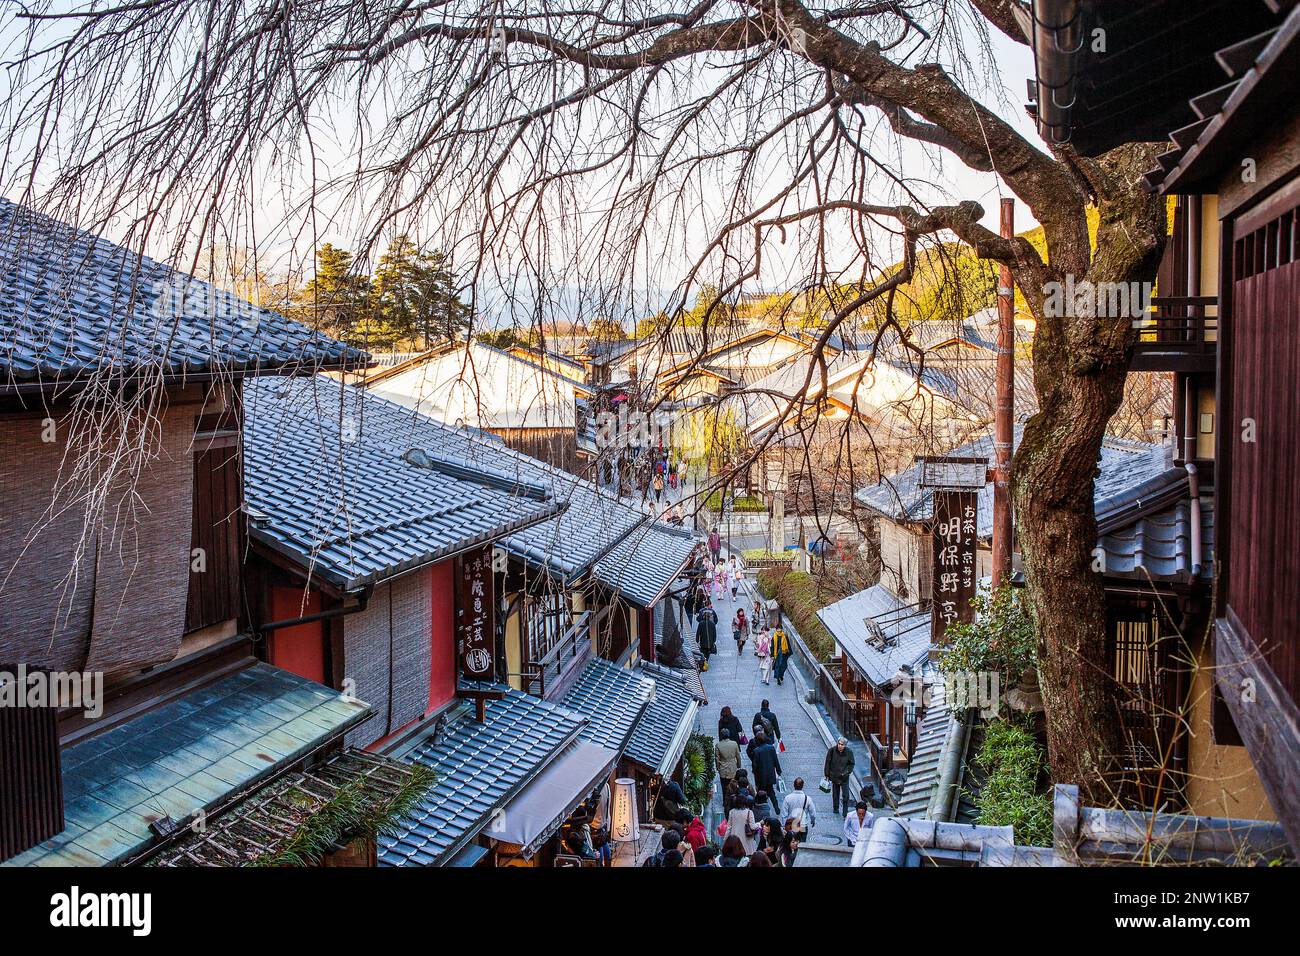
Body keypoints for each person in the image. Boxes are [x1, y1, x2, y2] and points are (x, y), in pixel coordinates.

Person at [748, 732, 782, 815]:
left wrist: (755, 776)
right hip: (770, 774)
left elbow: (755, 765)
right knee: (771, 791)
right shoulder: (771, 748)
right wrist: (778, 770)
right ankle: (776, 807)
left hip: (761, 776)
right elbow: (775, 760)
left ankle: (759, 808)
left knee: (760, 792)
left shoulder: (756, 751)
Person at [824, 737, 857, 815]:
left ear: (845, 745)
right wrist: (827, 774)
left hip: (844, 777)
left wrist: (847, 772)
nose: (840, 746)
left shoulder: (849, 752)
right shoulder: (832, 751)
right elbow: (827, 762)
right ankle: (836, 808)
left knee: (846, 795)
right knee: (835, 794)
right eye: (839, 744)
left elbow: (851, 763)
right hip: (834, 775)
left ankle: (845, 812)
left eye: (842, 744)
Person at [780, 777, 817, 843]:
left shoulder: (787, 798)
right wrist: (813, 820)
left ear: (794, 785)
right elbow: (813, 813)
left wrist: (783, 826)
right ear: (803, 786)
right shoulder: (807, 798)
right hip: (802, 824)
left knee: (791, 842)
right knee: (802, 844)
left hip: (790, 824)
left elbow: (784, 814)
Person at [714, 728, 740, 813]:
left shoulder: (718, 745)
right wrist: (738, 765)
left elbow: (717, 758)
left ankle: (725, 802)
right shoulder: (734, 744)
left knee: (724, 786)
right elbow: (738, 756)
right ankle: (734, 800)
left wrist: (718, 767)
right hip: (732, 767)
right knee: (733, 785)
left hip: (723, 768)